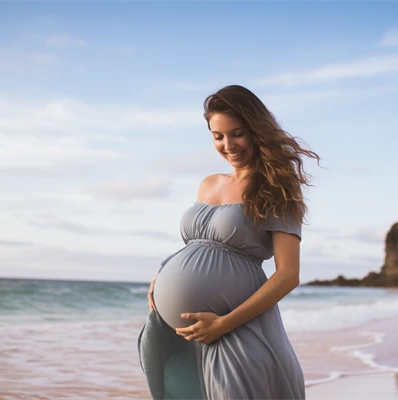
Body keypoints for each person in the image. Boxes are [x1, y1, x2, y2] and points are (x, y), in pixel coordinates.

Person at [137, 85, 320, 400]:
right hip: (194, 336)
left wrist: (223, 324)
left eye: (237, 133)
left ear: (256, 130)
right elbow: (196, 245)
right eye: (218, 136)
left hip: (237, 327)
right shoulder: (209, 184)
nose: (228, 145)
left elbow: (288, 275)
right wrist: (163, 272)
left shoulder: (276, 186)